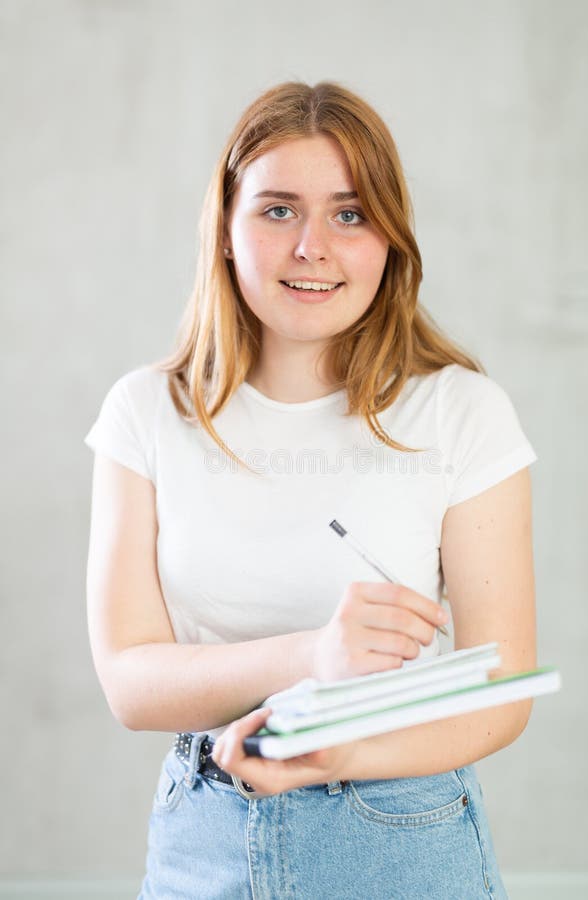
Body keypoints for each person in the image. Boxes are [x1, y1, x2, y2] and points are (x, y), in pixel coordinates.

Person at [84, 80, 538, 899]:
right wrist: (311, 658)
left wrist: (343, 752)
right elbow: (129, 681)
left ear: (390, 237)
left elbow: (502, 692)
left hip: (401, 839)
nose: (313, 247)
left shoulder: (463, 412)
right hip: (203, 842)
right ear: (225, 228)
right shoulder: (146, 412)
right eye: (278, 210)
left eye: (351, 213)